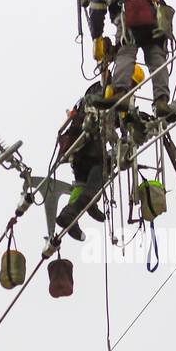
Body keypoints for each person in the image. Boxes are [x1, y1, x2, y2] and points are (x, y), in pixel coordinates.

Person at [88, 0, 176, 120]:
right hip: (152, 19)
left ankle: (121, 94)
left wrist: (97, 38)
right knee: (157, 58)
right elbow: (159, 2)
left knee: (126, 52)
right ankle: (161, 101)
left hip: (128, 16)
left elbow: (96, 13)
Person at [54, 82, 108, 241]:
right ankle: (84, 206)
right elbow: (114, 118)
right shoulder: (104, 95)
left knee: (81, 184)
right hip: (90, 149)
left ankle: (70, 217)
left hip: (78, 153)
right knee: (101, 174)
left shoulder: (84, 102)